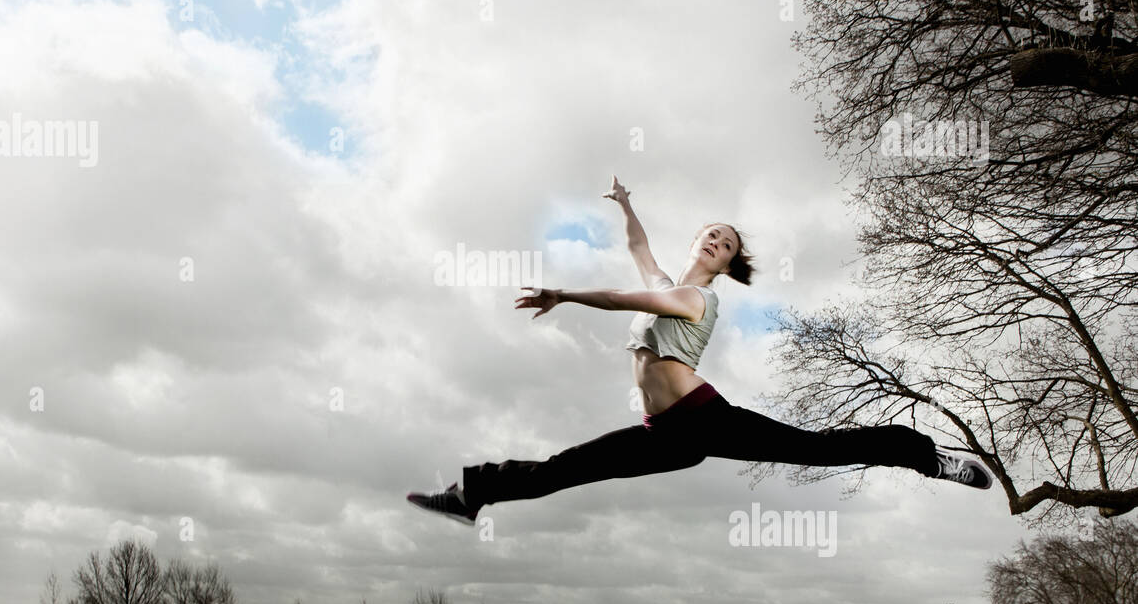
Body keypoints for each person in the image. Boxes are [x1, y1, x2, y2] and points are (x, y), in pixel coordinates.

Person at [407, 176, 994, 526]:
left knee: (817, 450)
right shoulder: (667, 284)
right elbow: (639, 251)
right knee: (566, 469)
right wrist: (625, 203)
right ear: (697, 240)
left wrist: (564, 293)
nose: (717, 242)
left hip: (705, 420)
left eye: (727, 245)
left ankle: (928, 458)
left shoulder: (694, 299)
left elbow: (617, 295)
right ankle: (472, 493)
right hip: (664, 432)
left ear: (726, 263)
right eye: (712, 234)